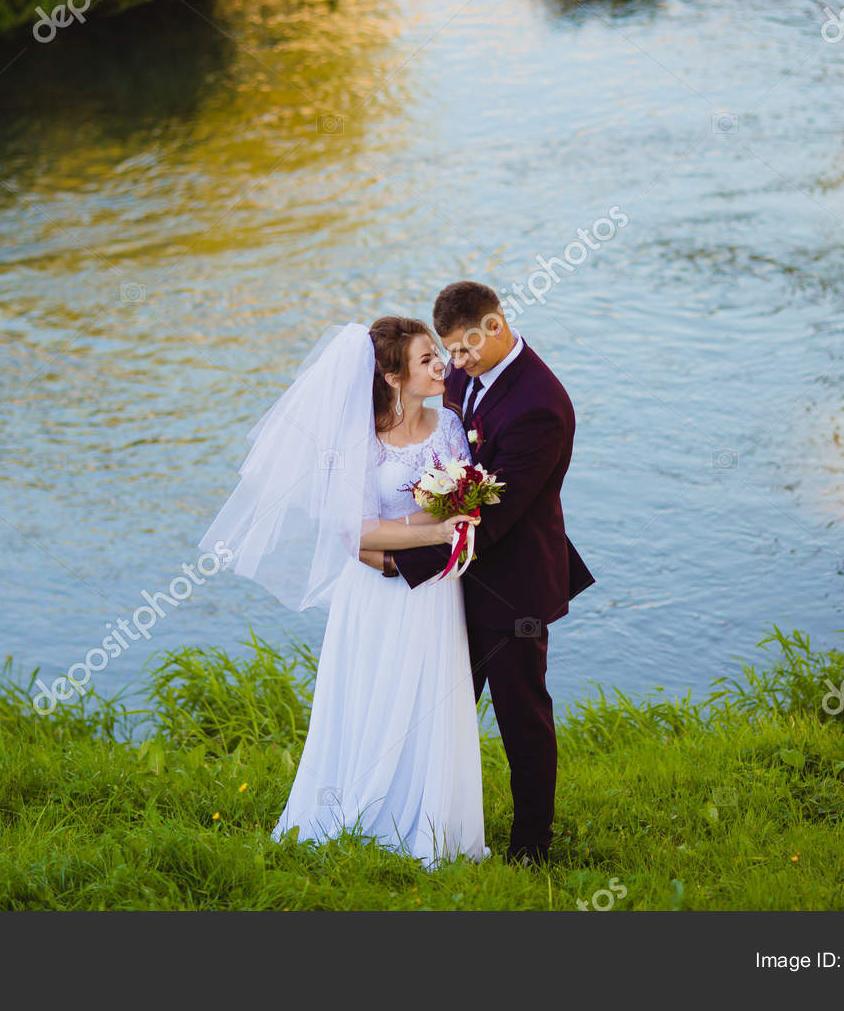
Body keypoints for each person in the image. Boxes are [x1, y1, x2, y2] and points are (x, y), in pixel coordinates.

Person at [200, 318, 485, 868]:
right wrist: (436, 530)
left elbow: (458, 497)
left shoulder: (450, 425)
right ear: (392, 376)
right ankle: (357, 810)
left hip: (434, 593)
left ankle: (431, 824)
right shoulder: (359, 440)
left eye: (437, 356)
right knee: (373, 689)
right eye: (426, 359)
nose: (440, 366)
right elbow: (353, 529)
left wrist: (445, 523)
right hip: (375, 595)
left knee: (429, 695)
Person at [365, 281, 594, 865]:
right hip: (455, 583)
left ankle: (531, 845)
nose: (454, 366)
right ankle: (425, 820)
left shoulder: (541, 405)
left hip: (514, 583)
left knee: (522, 718)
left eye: (463, 351)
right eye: (446, 353)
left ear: (494, 327)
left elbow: (493, 515)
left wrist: (396, 560)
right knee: (440, 707)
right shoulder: (465, 375)